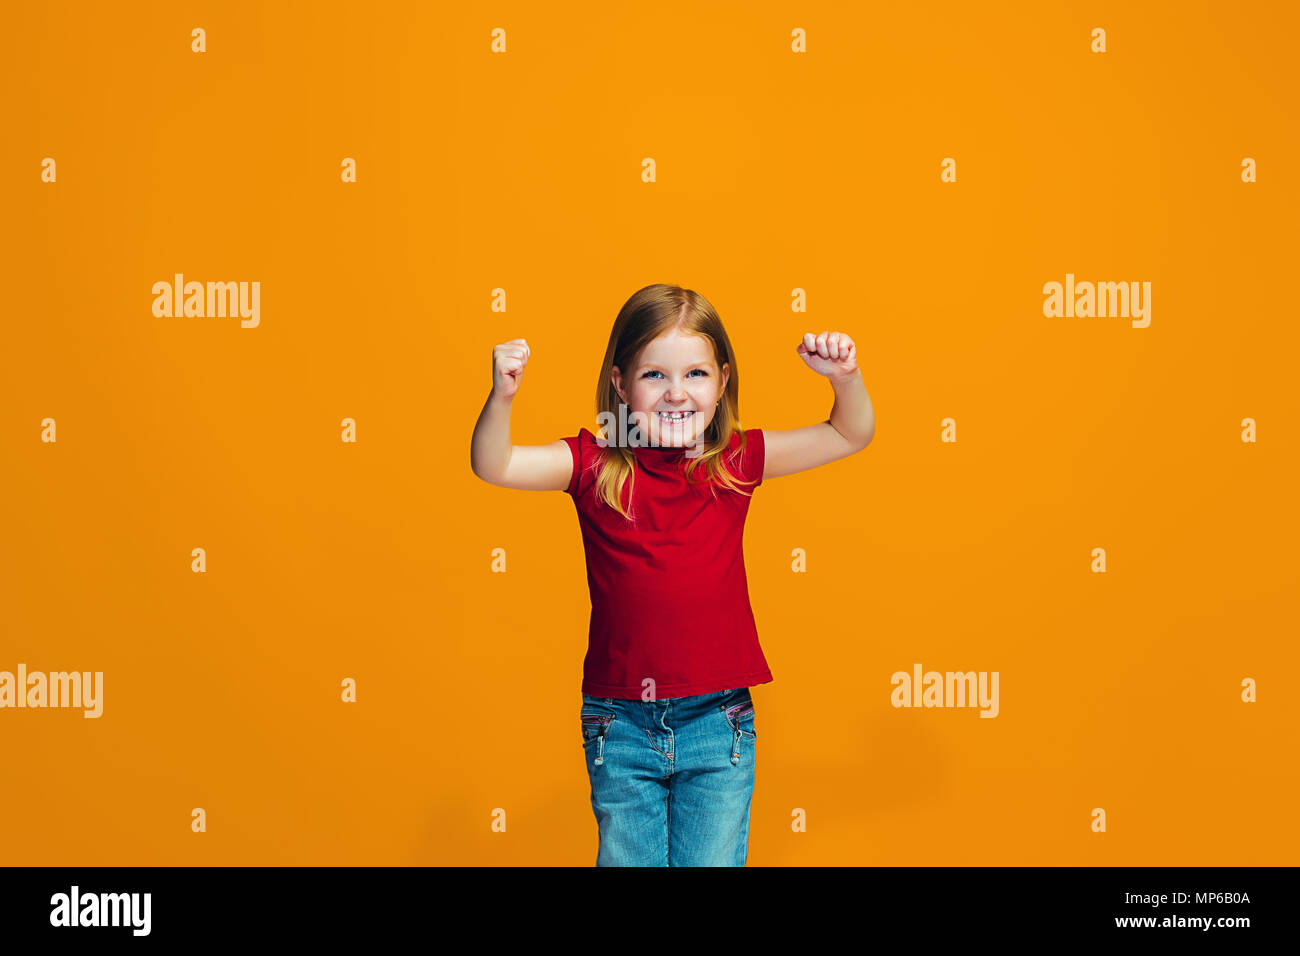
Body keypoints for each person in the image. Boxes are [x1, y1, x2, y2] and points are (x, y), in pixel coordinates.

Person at [470, 283, 875, 865]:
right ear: (619, 383)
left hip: (717, 720)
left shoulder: (734, 462)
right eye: (654, 376)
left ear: (723, 381)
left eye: (696, 375)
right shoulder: (593, 465)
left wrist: (845, 376)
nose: (676, 394)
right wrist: (502, 397)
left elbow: (849, 432)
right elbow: (495, 464)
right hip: (622, 724)